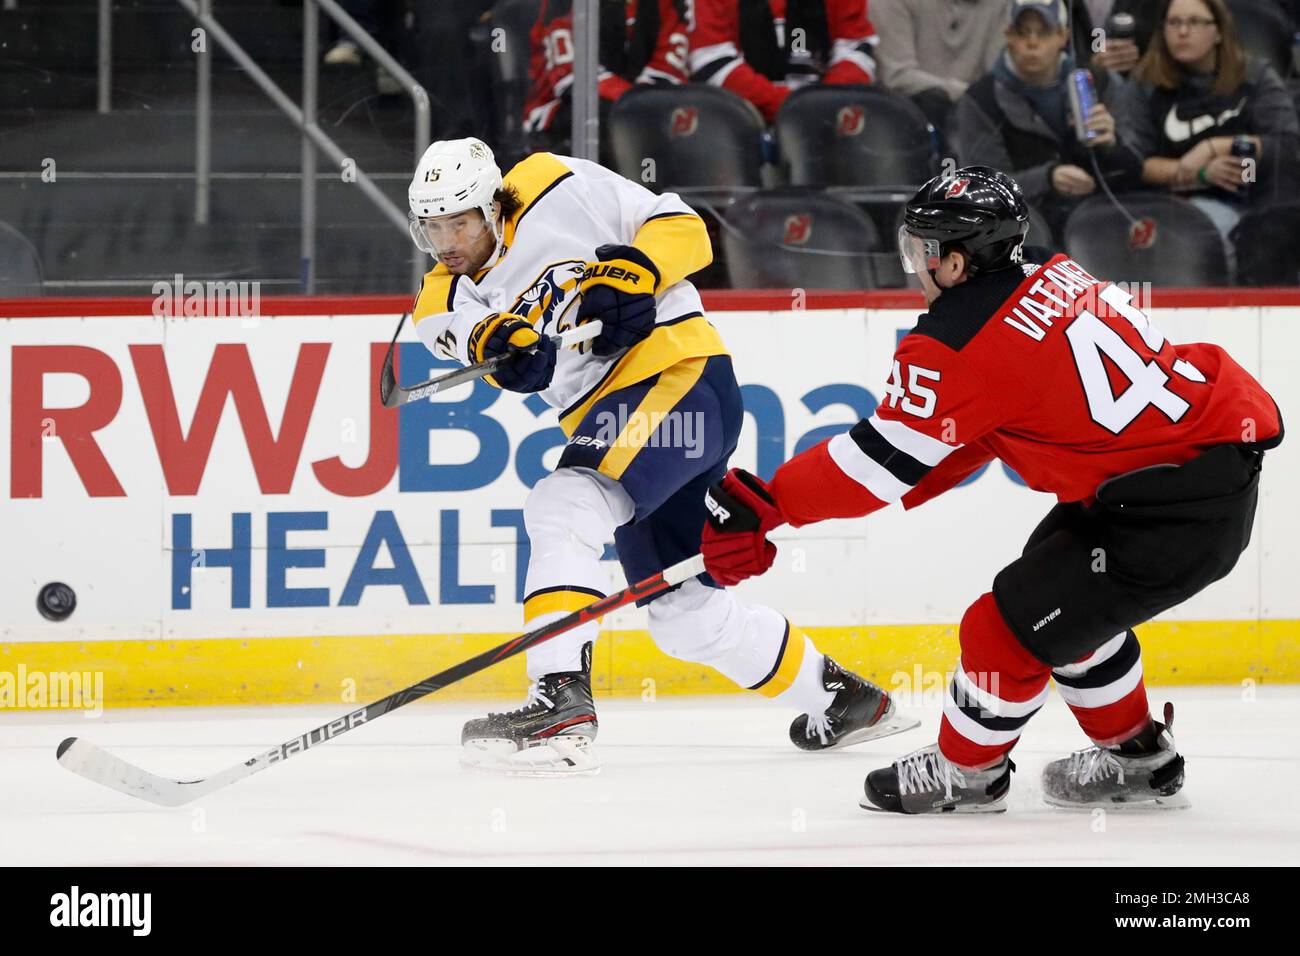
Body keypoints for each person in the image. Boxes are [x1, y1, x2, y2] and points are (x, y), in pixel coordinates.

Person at [699, 165, 1282, 813]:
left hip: (1166, 511)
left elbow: (874, 464)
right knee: (1063, 616)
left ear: (953, 263)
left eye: (921, 251)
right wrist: (895, 472)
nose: (914, 266)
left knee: (1000, 631)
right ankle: (1140, 760)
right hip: (1177, 480)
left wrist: (770, 504)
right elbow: (973, 431)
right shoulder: (1052, 272)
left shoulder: (955, 342)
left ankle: (968, 775)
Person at [406, 138, 916, 774]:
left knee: (563, 506)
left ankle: (558, 696)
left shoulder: (553, 182)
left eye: (458, 222)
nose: (447, 241)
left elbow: (683, 227)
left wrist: (633, 271)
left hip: (679, 376)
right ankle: (844, 701)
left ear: (492, 205)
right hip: (621, 420)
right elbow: (485, 346)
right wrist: (507, 349)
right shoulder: (440, 298)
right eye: (432, 227)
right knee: (685, 616)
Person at [1127, 0, 1300, 276]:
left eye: (1194, 22)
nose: (1182, 31)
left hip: (1264, 202)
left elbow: (1288, 145)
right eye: (1174, 23)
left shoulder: (1255, 76)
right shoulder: (1147, 85)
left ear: (1219, 31)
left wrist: (1215, 147)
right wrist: (1200, 172)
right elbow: (1133, 163)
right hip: (1190, 207)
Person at [953, 0, 1143, 242]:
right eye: (1023, 32)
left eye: (1044, 32)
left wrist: (1112, 146)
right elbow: (982, 189)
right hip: (1021, 230)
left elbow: (1136, 170)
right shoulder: (981, 99)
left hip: (1100, 223)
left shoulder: (1099, 83)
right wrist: (1047, 178)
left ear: (1063, 36)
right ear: (1008, 35)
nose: (1032, 43)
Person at [524, 0, 691, 153]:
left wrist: (639, 105)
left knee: (688, 119)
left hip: (638, 108)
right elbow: (570, 77)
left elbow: (667, 68)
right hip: (557, 111)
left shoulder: (668, 3)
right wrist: (634, 102)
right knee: (613, 120)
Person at [689, 0, 880, 124]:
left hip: (827, 123)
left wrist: (822, 102)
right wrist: (788, 105)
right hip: (736, 124)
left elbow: (858, 52)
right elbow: (710, 60)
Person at [869, 0, 1007, 135]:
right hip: (903, 120)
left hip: (976, 117)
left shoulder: (1001, 4)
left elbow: (999, 79)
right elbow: (895, 76)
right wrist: (972, 95)